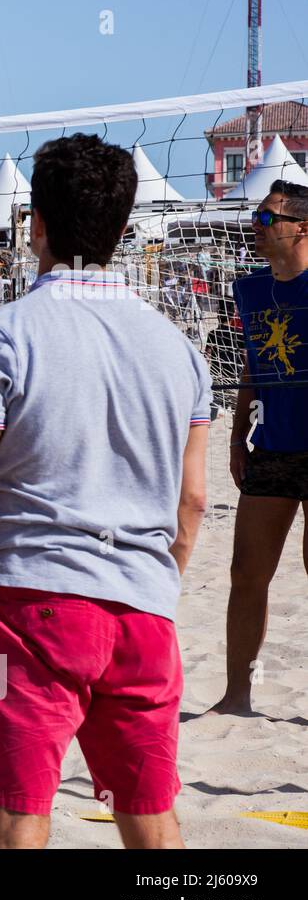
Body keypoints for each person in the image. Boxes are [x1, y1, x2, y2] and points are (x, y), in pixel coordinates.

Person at [0, 134, 211, 849]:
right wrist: (153, 586)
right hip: (143, 611)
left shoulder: (3, 336)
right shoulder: (180, 352)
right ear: (123, 231)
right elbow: (192, 503)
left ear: (34, 225)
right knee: (150, 819)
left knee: (15, 813)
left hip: (29, 604)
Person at [207, 179, 308, 717]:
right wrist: (237, 432)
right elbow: (251, 366)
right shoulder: (248, 290)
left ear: (301, 227)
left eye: (268, 218)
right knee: (247, 573)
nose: (257, 226)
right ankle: (236, 696)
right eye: (256, 216)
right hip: (271, 446)